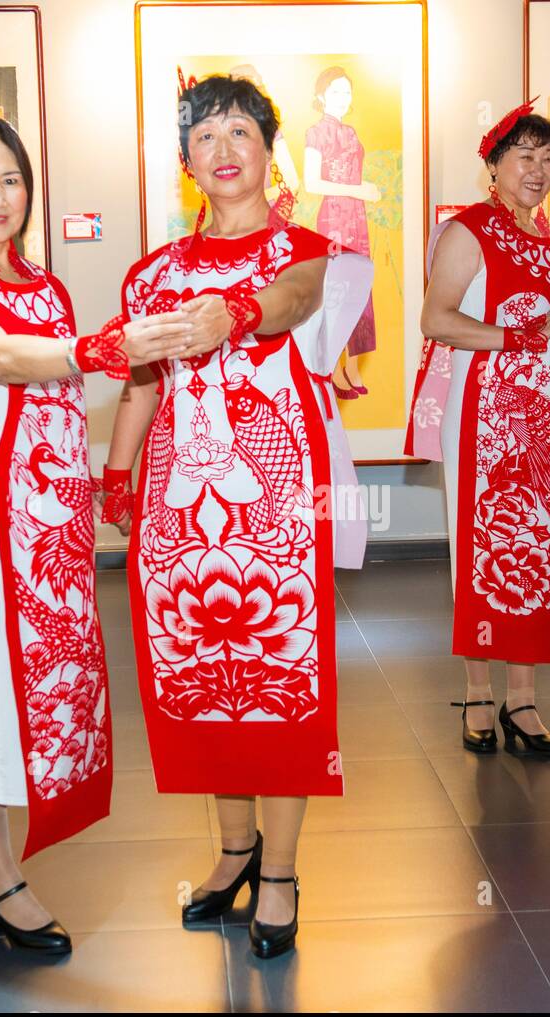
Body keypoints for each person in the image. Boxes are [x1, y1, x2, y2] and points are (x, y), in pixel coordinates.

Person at [0, 97, 192, 952]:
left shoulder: (44, 283)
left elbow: (52, 396)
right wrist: (94, 349)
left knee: (4, 692)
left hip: (43, 530)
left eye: (11, 178)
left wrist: (101, 483)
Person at [102, 73, 372, 959]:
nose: (223, 149)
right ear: (187, 163)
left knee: (278, 669)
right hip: (184, 502)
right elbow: (142, 380)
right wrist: (117, 471)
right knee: (208, 673)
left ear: (267, 149)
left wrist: (238, 311)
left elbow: (292, 304)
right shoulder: (152, 273)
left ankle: (284, 869)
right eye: (205, 137)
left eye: (239, 132)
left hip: (279, 499)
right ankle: (232, 852)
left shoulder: (302, 249)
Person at [406, 100, 550, 757]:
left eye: (548, 158)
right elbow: (436, 319)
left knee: (537, 550)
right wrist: (516, 336)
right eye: (524, 156)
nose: (537, 169)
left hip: (544, 418)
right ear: (494, 165)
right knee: (483, 548)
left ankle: (524, 699)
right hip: (486, 420)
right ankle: (480, 693)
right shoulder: (468, 232)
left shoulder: (549, 239)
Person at [305, 66, 380, 399]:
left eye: (347, 92)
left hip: (356, 219)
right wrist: (359, 190)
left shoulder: (351, 131)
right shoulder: (316, 132)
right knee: (337, 293)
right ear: (321, 96)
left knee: (361, 291)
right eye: (336, 92)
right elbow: (312, 182)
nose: (342, 98)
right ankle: (333, 369)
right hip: (334, 218)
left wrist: (364, 193)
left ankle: (352, 366)